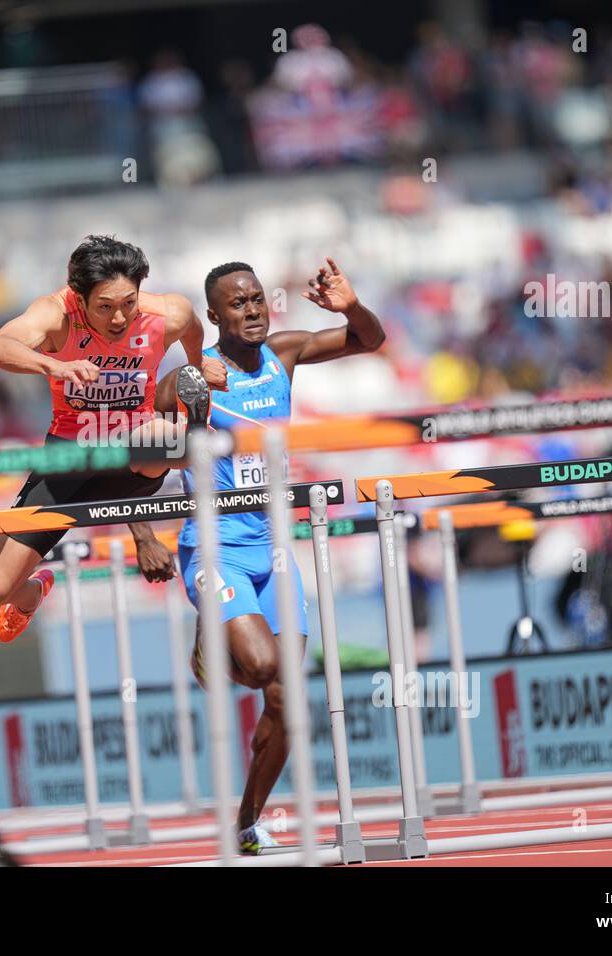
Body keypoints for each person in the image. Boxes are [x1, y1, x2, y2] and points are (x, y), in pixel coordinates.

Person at [155, 257, 385, 853]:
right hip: (214, 545)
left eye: (256, 298)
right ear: (213, 316)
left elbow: (369, 339)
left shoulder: (284, 354)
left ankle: (246, 823)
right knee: (260, 668)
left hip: (274, 548)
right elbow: (142, 444)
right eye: (237, 303)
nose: (252, 310)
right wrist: (139, 531)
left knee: (287, 697)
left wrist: (350, 306)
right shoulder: (196, 376)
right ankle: (212, 647)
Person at [0, 235, 227, 642]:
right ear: (80, 296)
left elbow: (193, 329)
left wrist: (201, 366)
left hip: (135, 441)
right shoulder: (56, 314)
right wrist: (52, 366)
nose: (119, 319)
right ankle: (30, 593)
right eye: (105, 307)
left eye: (129, 302)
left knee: (180, 445)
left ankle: (194, 431)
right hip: (69, 457)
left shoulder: (168, 313)